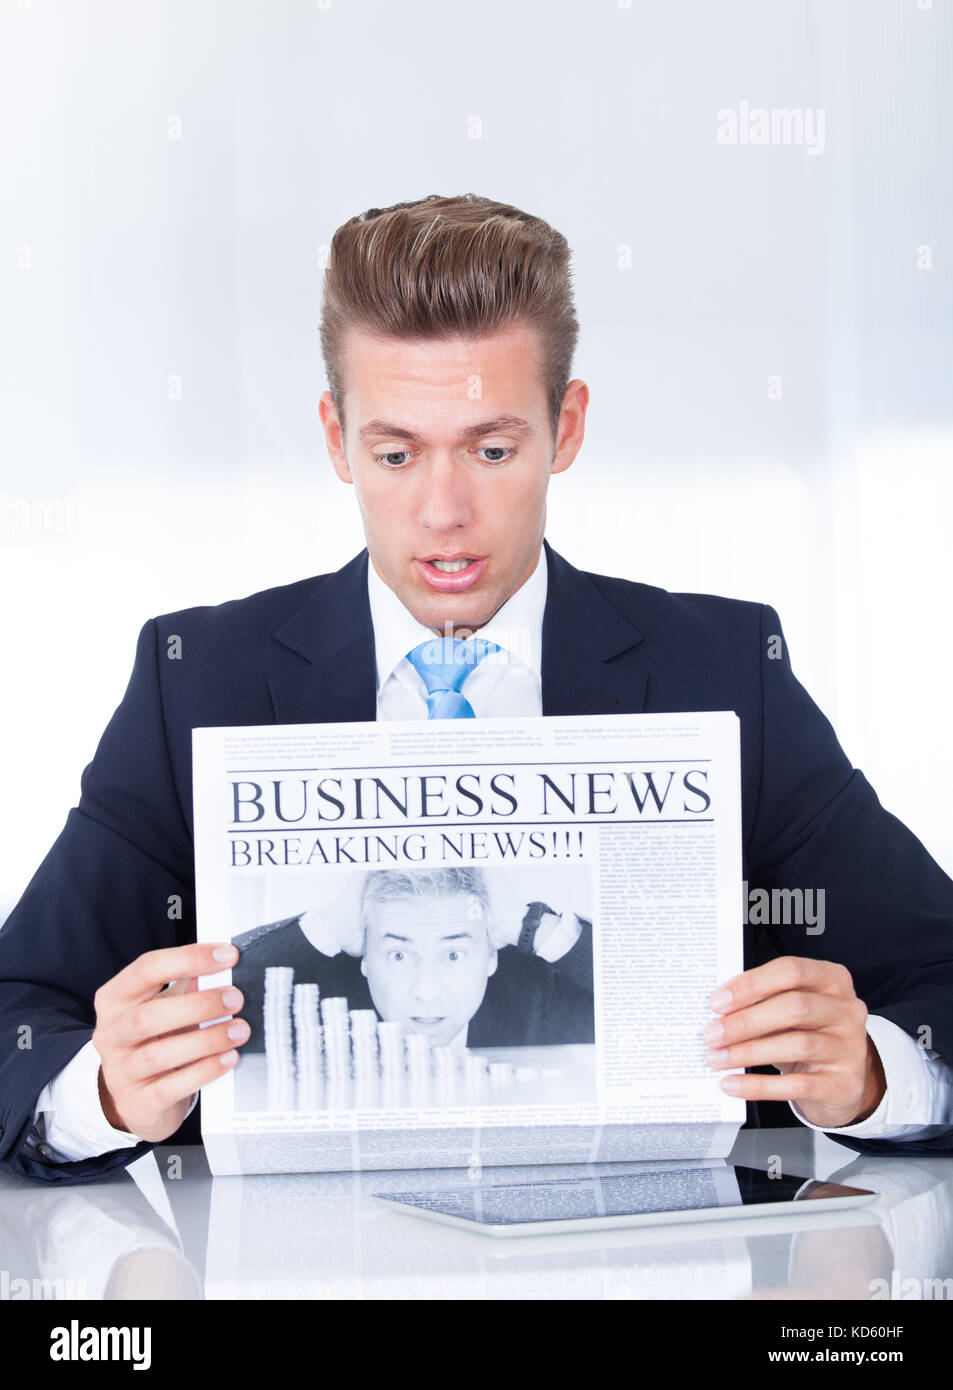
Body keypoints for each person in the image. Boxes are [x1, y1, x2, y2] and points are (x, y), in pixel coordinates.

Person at [2, 192, 952, 1185]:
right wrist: (99, 1095)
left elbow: (935, 979)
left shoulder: (719, 672)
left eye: (491, 450)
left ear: (566, 426)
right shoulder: (195, 681)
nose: (443, 511)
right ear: (335, 440)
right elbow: (17, 1007)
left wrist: (875, 1075)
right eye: (395, 452)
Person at [232, 866, 594, 1051]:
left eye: (453, 954)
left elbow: (646, 998)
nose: (426, 992)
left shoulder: (540, 994)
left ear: (490, 957)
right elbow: (220, 1004)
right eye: (399, 955)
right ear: (364, 958)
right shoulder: (322, 989)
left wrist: (528, 926)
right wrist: (330, 924)